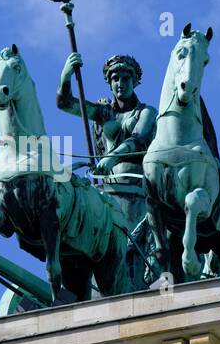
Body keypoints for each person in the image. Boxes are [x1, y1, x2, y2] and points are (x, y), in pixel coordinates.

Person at [56, 52, 157, 284]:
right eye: (115, 79)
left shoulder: (146, 112)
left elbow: (138, 139)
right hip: (105, 188)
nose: (120, 84)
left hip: (138, 187)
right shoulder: (103, 111)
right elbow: (65, 103)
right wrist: (66, 75)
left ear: (135, 81)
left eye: (125, 78)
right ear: (109, 82)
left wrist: (111, 158)